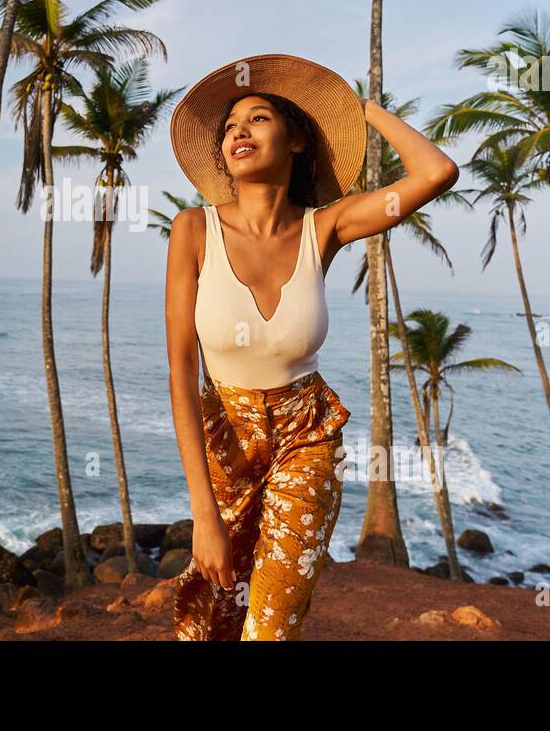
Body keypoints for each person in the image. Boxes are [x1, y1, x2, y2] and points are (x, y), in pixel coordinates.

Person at [164, 53, 458, 640]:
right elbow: (179, 369)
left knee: (271, 628)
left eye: (259, 118)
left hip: (308, 437)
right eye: (229, 127)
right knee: (210, 620)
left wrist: (361, 110)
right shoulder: (194, 230)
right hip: (227, 440)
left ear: (297, 140)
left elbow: (435, 173)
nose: (239, 131)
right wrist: (203, 514)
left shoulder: (324, 228)